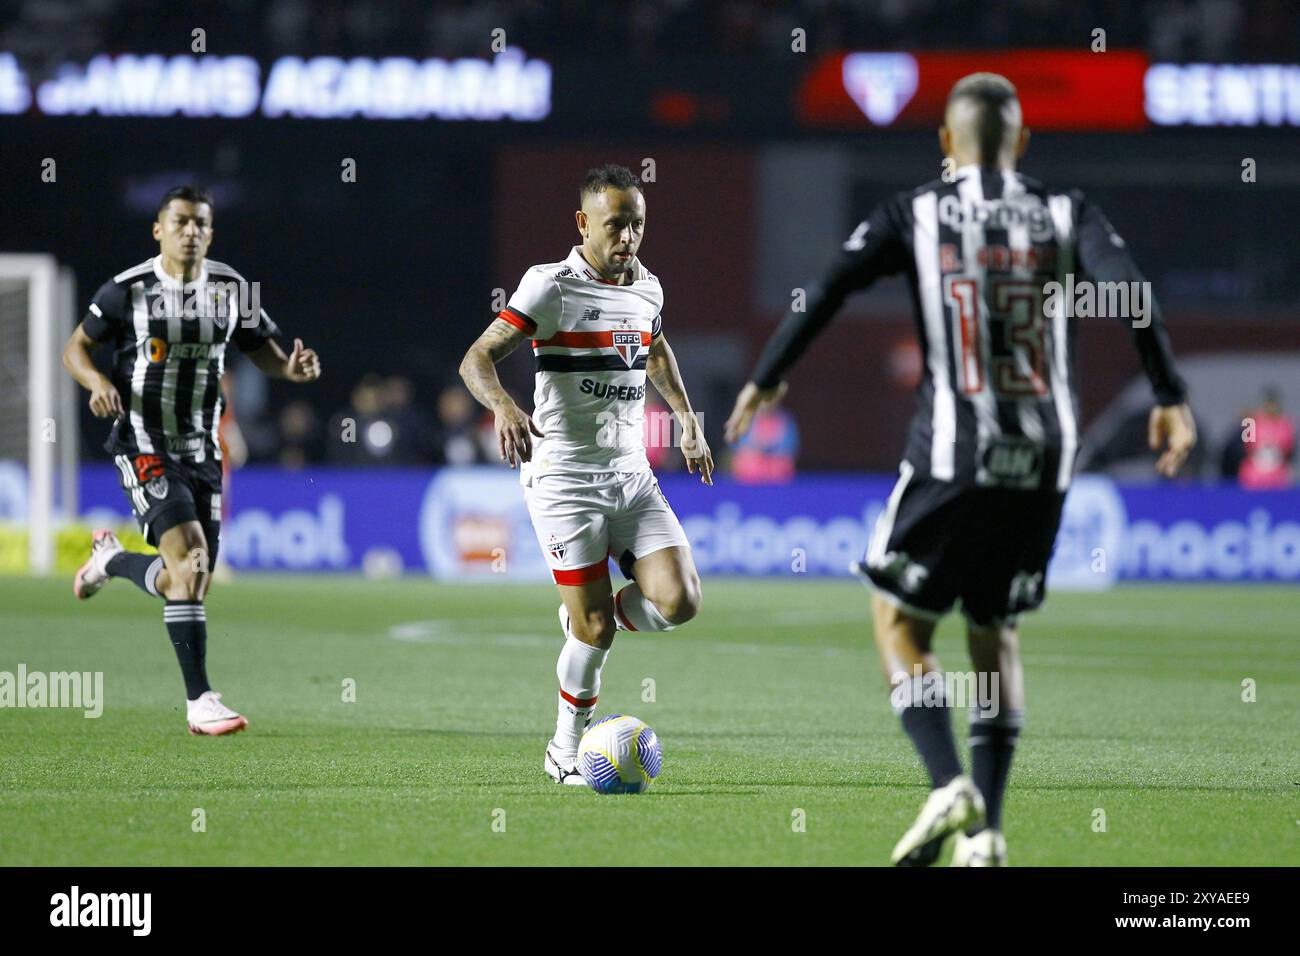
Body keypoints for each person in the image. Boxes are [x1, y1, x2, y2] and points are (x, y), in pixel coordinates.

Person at [725, 74, 1196, 865]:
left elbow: (827, 290)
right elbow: (1131, 293)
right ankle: (987, 836)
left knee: (897, 619)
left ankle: (947, 782)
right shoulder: (1066, 210)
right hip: (1047, 460)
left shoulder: (915, 212)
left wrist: (769, 374)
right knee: (994, 634)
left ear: (946, 143)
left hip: (954, 451)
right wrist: (1170, 393)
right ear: (1024, 143)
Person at [459, 163, 713, 784]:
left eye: (637, 226)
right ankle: (563, 750)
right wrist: (503, 405)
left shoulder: (647, 288)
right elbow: (478, 356)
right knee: (595, 628)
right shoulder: (550, 288)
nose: (628, 239)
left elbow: (653, 347)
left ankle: (585, 615)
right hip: (564, 482)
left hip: (631, 476)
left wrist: (686, 419)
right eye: (616, 226)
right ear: (583, 223)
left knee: (681, 602)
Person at [62, 185, 322, 735]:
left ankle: (111, 562)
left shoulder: (233, 289)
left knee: (190, 577)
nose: (191, 231)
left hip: (204, 449)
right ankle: (200, 700)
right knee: (192, 557)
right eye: (180, 221)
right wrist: (95, 380)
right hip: (143, 440)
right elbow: (75, 348)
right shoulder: (126, 290)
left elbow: (269, 358)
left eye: (201, 223)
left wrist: (294, 370)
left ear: (210, 232)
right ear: (159, 229)